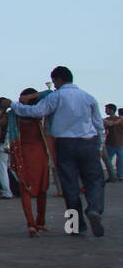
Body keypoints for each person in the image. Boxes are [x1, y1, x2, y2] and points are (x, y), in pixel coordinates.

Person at [10, 66, 106, 237]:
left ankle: (75, 227)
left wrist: (15, 106)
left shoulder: (57, 96)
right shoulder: (88, 97)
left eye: (54, 81)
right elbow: (99, 125)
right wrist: (98, 147)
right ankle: (95, 209)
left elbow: (37, 111)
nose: (53, 85)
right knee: (94, 180)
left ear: (58, 80)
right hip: (88, 143)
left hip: (65, 144)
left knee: (70, 186)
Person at [11, 88, 53, 236]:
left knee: (26, 189)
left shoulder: (16, 114)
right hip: (40, 153)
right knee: (42, 189)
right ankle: (40, 221)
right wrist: (33, 96)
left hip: (24, 154)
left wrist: (22, 99)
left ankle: (31, 224)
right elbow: (49, 93)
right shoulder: (39, 113)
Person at [0, 99, 17, 199]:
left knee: (2, 169)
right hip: (11, 144)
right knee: (12, 168)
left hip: (3, 145)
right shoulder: (12, 114)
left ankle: (7, 192)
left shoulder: (2, 116)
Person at [103, 104, 123, 183]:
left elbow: (108, 126)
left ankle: (113, 176)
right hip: (118, 143)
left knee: (109, 160)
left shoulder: (106, 120)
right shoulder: (120, 119)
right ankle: (120, 176)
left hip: (112, 143)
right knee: (120, 161)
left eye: (107, 109)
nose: (105, 111)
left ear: (111, 110)